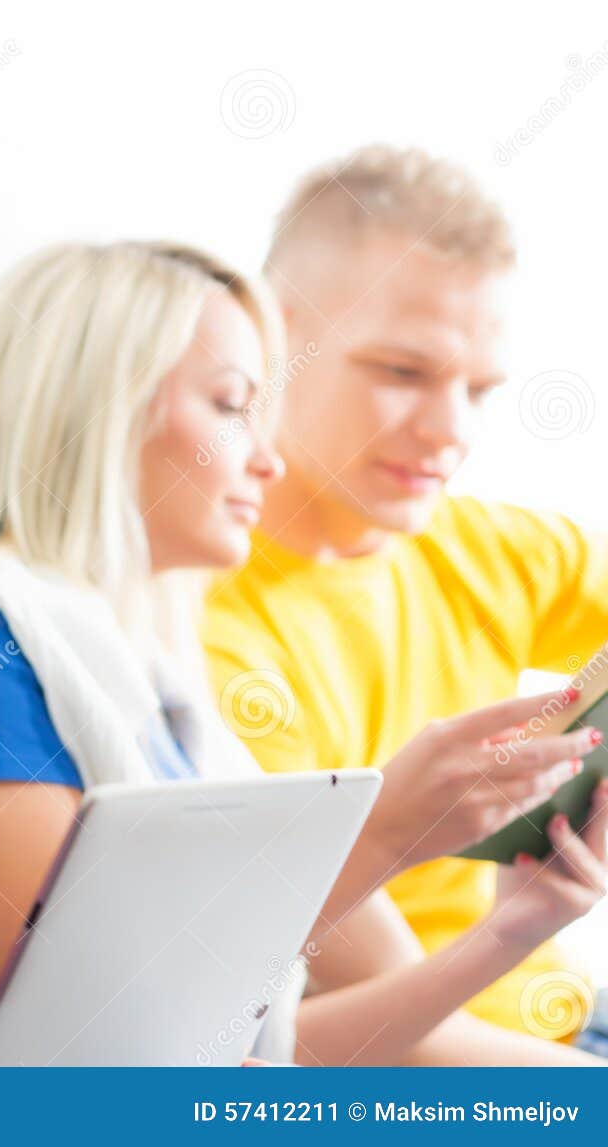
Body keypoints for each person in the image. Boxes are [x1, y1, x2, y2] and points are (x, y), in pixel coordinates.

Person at [0, 239, 608, 1067]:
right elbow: (101, 1050)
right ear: (101, 411)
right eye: (233, 406)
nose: (269, 460)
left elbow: (265, 1054)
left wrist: (514, 927)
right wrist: (381, 835)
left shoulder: (156, 689)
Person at [205, 146, 608, 1063]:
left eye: (478, 389)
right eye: (401, 372)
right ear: (269, 342)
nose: (450, 431)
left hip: (569, 1017)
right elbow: (398, 1023)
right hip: (448, 1065)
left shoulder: (489, 547)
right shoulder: (217, 641)